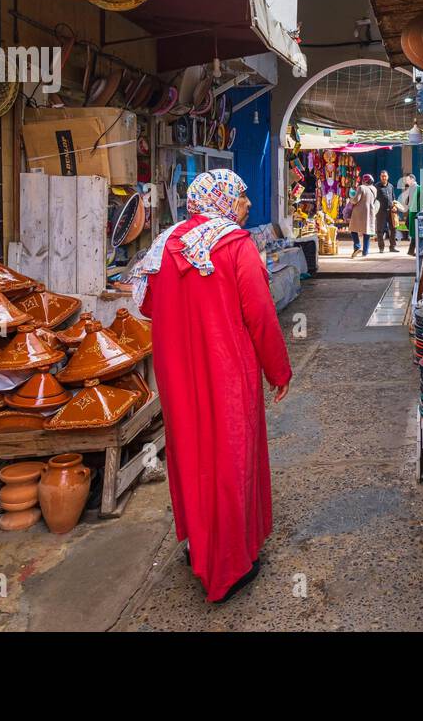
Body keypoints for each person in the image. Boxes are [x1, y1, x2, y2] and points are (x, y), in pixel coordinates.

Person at [132, 170, 291, 603]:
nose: (248, 205)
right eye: (241, 196)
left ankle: (199, 547)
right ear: (223, 200)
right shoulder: (235, 246)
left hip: (178, 371)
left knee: (191, 455)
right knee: (231, 456)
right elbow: (259, 314)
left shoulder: (166, 243)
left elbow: (147, 304)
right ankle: (228, 564)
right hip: (226, 370)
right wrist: (278, 370)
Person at [349, 175, 377, 257]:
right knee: (367, 231)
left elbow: (355, 200)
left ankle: (357, 246)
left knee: (353, 229)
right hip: (370, 212)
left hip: (359, 212)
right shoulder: (374, 189)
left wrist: (350, 198)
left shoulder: (361, 187)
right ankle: (365, 252)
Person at [399, 172, 423, 256]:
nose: (406, 181)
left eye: (407, 180)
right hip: (411, 213)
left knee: (415, 233)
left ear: (412, 179)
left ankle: (413, 250)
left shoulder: (418, 189)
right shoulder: (411, 189)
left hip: (416, 214)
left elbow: (421, 203)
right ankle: (411, 250)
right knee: (414, 232)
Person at [374, 170, 397, 252]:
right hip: (380, 211)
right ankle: (381, 247)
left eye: (385, 176)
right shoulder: (376, 186)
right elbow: (374, 199)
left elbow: (393, 198)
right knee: (380, 230)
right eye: (382, 176)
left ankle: (392, 247)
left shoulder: (391, 186)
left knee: (393, 229)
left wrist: (394, 206)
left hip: (391, 211)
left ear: (388, 177)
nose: (384, 178)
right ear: (380, 177)